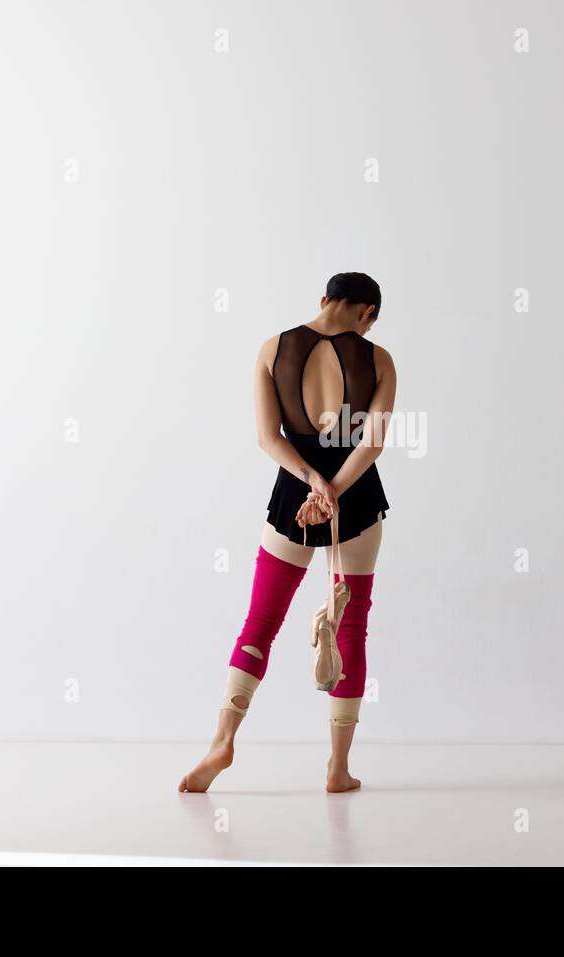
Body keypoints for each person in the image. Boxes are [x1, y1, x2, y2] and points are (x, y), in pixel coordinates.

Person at [178, 272, 396, 794]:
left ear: (324, 299)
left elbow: (267, 438)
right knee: (350, 625)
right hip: (357, 497)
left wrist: (313, 483)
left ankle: (222, 742)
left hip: (292, 495)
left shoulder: (272, 349)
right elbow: (372, 444)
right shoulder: (379, 359)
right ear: (367, 313)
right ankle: (337, 769)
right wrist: (335, 491)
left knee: (261, 621)